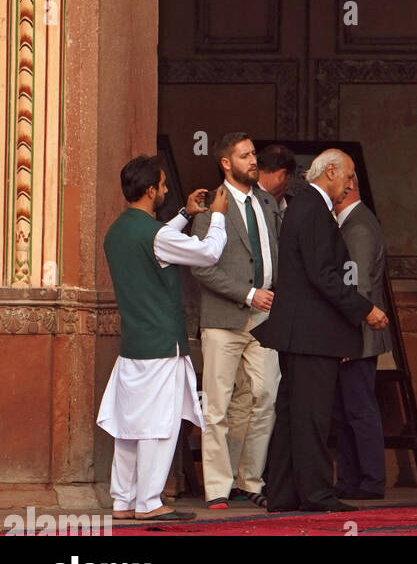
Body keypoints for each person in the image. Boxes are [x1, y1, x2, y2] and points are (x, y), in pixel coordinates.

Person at [97, 154, 229, 522]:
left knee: (128, 426)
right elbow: (207, 253)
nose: (167, 190)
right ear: (150, 190)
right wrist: (216, 216)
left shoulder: (118, 230)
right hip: (160, 346)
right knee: (158, 424)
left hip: (133, 346)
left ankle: (123, 501)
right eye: (164, 185)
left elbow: (157, 241)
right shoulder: (152, 235)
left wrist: (185, 215)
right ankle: (149, 502)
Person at [256, 149, 388, 512]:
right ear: (330, 171)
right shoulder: (313, 208)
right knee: (311, 416)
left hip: (302, 333)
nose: (350, 185)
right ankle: (317, 495)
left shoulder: (305, 206)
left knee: (292, 416)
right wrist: (365, 310)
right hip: (311, 334)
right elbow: (323, 274)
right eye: (348, 178)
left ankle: (283, 495)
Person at [191, 132, 281, 510]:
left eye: (254, 154)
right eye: (244, 156)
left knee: (264, 396)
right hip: (223, 318)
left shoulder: (267, 201)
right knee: (218, 405)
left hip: (265, 317)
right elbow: (201, 266)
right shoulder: (214, 204)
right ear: (226, 163)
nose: (253, 160)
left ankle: (249, 478)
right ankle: (217, 487)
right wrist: (247, 293)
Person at [333, 156, 392, 501]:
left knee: (358, 409)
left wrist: (346, 338)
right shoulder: (351, 222)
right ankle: (351, 481)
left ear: (349, 184)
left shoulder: (356, 227)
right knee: (346, 410)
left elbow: (358, 289)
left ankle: (369, 482)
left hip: (356, 336)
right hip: (353, 335)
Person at [257, 144, 296, 232]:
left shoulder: (293, 204)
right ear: (282, 175)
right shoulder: (246, 200)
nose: (288, 185)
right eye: (289, 178)